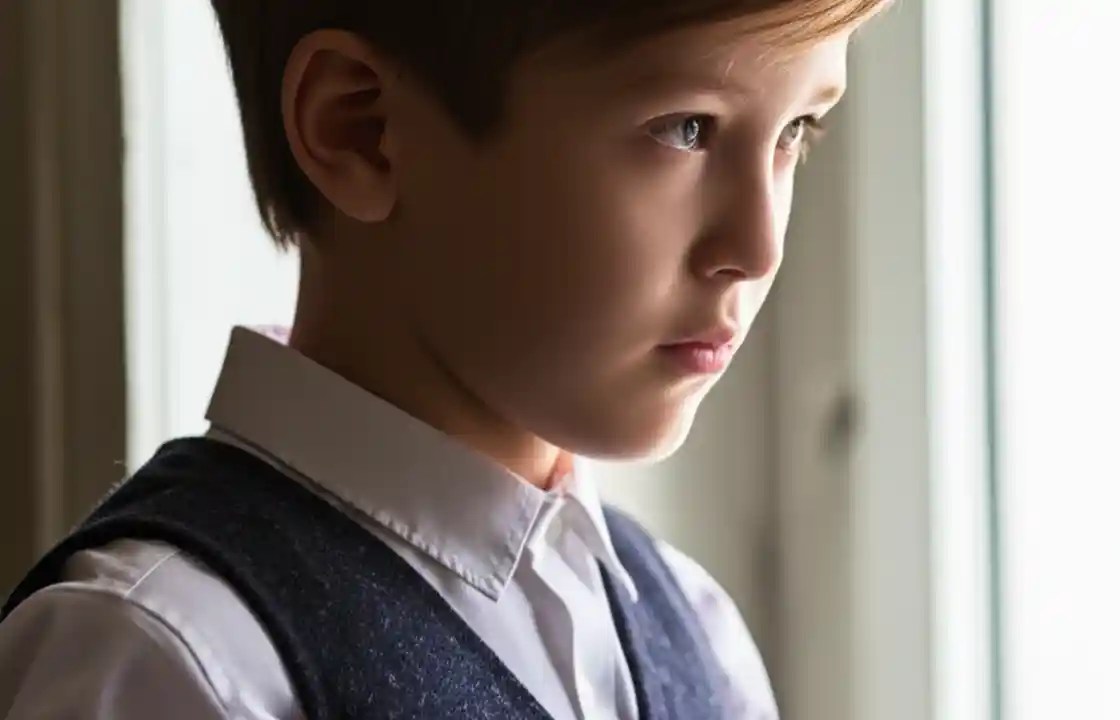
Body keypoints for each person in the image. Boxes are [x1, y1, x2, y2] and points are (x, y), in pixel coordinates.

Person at [0, 1, 888, 718]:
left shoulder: (692, 632)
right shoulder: (169, 663)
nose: (759, 243)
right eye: (687, 130)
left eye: (796, 132)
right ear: (362, 128)